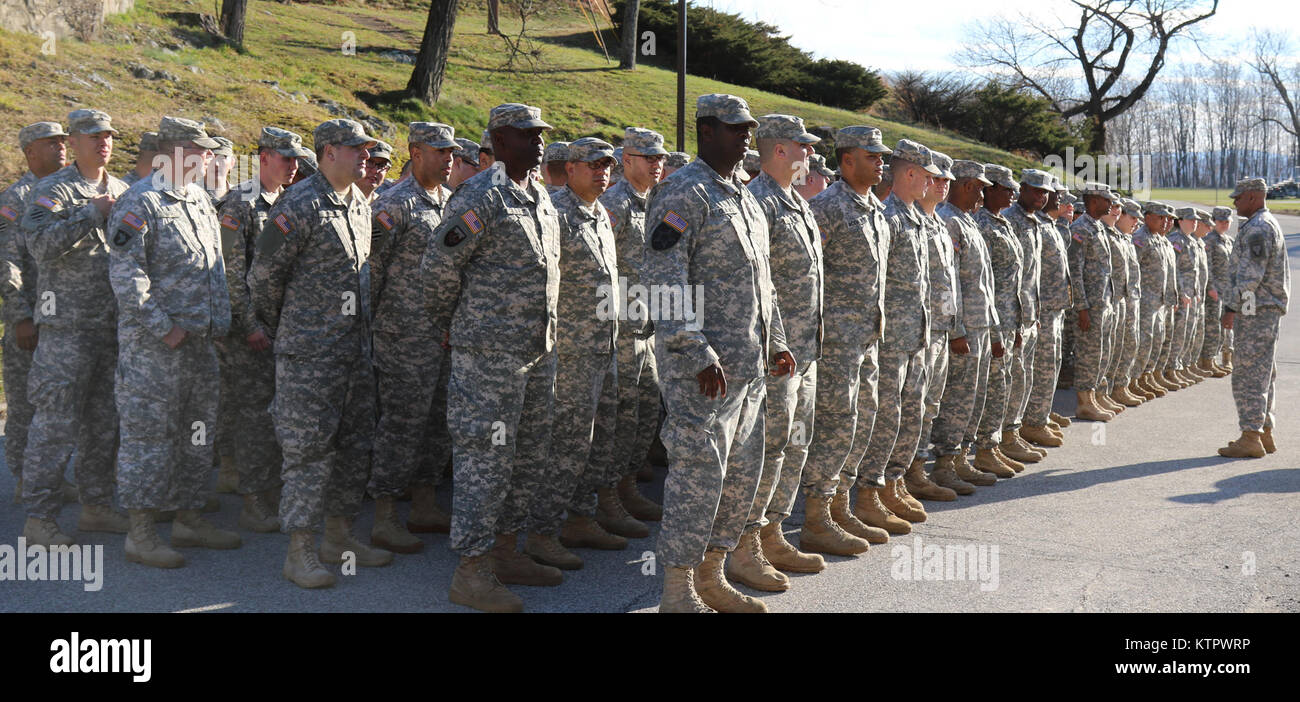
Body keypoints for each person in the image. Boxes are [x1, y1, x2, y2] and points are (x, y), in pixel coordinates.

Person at [642, 93, 794, 613]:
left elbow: (763, 281)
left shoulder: (744, 195)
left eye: (748, 126)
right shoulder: (683, 191)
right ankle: (676, 590)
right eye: (733, 128)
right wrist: (694, 347)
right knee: (697, 477)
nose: (745, 135)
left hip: (748, 367)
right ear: (706, 131)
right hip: (702, 370)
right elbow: (663, 279)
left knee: (738, 477)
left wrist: (775, 341)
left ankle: (712, 574)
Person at [424, 103, 563, 613]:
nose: (539, 142)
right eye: (528, 135)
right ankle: (472, 571)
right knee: (485, 463)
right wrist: (455, 328)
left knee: (525, 459)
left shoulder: (538, 196)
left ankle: (506, 552)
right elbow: (439, 269)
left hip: (536, 351)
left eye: (541, 134)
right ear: (501, 141)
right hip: (488, 356)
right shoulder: (482, 194)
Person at [250, 118, 390, 589]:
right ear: (329, 152)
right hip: (310, 355)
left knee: (354, 447)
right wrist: (290, 330)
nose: (365, 157)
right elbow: (264, 278)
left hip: (355, 352)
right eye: (356, 149)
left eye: (367, 149)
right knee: (308, 452)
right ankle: (300, 551)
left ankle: (339, 537)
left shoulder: (359, 204)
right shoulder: (299, 205)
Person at [106, 116, 238, 568]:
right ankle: (141, 533)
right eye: (201, 151)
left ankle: (189, 517)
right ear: (178, 153)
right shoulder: (139, 202)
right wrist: (166, 328)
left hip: (200, 345)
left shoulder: (200, 198)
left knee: (197, 435)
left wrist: (219, 322)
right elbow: (128, 277)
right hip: (156, 350)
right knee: (149, 437)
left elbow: (214, 268)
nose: (209, 158)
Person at [19, 109, 130, 546]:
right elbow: (39, 246)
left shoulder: (122, 188)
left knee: (104, 423)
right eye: (93, 135)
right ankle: (39, 518)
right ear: (75, 141)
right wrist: (88, 215)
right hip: (67, 328)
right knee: (55, 424)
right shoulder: (53, 189)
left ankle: (97, 506)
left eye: (108, 135)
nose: (103, 142)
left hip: (111, 326)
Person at [524, 136, 630, 572]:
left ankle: (580, 517)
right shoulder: (555, 213)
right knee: (564, 445)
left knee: (592, 442)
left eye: (608, 164)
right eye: (593, 165)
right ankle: (543, 531)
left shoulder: (599, 213)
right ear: (569, 168)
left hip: (600, 348)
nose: (603, 171)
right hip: (568, 352)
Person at [733, 113, 825, 590]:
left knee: (794, 443)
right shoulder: (760, 202)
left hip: (804, 349)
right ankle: (744, 543)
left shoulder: (795, 201)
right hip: (775, 351)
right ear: (781, 150)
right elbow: (755, 285)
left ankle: (772, 530)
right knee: (764, 450)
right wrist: (775, 342)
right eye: (802, 146)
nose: (809, 154)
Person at [366, 122, 459, 554]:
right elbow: (371, 272)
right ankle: (385, 514)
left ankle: (424, 503)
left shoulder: (452, 203)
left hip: (445, 335)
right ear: (416, 152)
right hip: (403, 335)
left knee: (438, 422)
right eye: (440, 151)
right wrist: (373, 328)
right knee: (401, 425)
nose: (448, 159)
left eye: (451, 152)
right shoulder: (393, 204)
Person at [214, 126, 312, 533]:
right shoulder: (239, 204)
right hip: (247, 332)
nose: (293, 166)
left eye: (296, 159)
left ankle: (261, 487)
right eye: (285, 158)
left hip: (279, 327)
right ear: (263, 158)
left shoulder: (286, 201)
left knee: (268, 413)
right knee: (254, 415)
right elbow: (229, 272)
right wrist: (250, 324)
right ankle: (254, 499)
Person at [803, 125, 892, 557]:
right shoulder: (826, 208)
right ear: (847, 160)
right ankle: (816, 516)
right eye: (871, 156)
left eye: (881, 156)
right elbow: (806, 278)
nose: (880, 163)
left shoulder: (876, 208)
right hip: (835, 340)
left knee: (862, 418)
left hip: (867, 335)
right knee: (836, 422)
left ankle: (840, 503)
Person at [598, 127, 667, 524]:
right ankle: (607, 498)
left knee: (642, 416)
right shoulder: (615, 203)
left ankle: (626, 488)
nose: (657, 164)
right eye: (649, 158)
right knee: (618, 417)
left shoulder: (656, 201)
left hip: (648, 328)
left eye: (660, 158)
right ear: (627, 161)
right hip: (620, 327)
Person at [0, 122, 67, 502]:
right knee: (25, 406)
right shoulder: (15, 200)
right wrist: (20, 317)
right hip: (30, 323)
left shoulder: (64, 192)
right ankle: (26, 480)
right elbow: (6, 264)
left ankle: (52, 477)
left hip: (62, 321)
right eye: (51, 144)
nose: (60, 149)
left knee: (56, 405)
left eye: (62, 142)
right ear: (30, 153)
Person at [930, 160, 1000, 494]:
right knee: (956, 397)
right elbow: (947, 282)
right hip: (964, 327)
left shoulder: (966, 222)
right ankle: (943, 463)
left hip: (980, 323)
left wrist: (993, 326)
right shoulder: (948, 222)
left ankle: (960, 457)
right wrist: (955, 328)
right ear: (966, 185)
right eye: (980, 188)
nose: (983, 195)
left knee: (972, 395)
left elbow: (982, 281)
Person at [1218, 178, 1289, 458]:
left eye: (1238, 198)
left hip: (1255, 310)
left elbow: (1250, 277)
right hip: (1263, 309)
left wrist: (1232, 308)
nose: (1235, 203)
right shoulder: (1264, 223)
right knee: (1263, 372)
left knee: (1248, 373)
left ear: (1252, 197)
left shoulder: (1258, 227)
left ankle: (1250, 437)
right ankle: (1264, 432)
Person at [909, 150, 961, 501]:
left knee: (930, 405)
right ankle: (904, 474)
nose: (941, 185)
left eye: (946, 180)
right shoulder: (909, 220)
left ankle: (918, 469)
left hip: (940, 329)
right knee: (910, 405)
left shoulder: (939, 225)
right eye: (936, 178)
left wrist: (955, 327)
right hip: (915, 330)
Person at [971, 165, 1025, 477]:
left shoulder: (1001, 222)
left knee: (1001, 383)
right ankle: (983, 448)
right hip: (991, 319)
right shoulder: (982, 224)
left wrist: (1016, 322)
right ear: (989, 189)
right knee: (990, 387)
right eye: (1005, 188)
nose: (1012, 193)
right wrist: (994, 329)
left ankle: (993, 445)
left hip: (1008, 316)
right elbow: (983, 281)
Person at [999, 169, 1052, 461]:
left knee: (1024, 375)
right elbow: (1010, 277)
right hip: (1011, 315)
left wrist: (1035, 311)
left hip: (1029, 312)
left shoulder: (1035, 223)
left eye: (1045, 193)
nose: (1040, 197)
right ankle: (1004, 436)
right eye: (1035, 191)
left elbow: (1033, 275)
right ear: (1022, 189)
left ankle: (1015, 431)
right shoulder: (1010, 219)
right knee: (1012, 377)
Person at [1021, 178, 1072, 446]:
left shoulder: (1050, 226)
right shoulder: (1035, 225)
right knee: (1039, 367)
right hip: (1041, 309)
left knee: (1050, 364)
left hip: (1054, 308)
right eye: (1056, 194)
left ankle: (1041, 414)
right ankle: (1033, 421)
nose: (1061, 200)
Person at [1067, 182, 1118, 421]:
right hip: (1090, 306)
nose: (1110, 205)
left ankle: (1095, 395)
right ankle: (1084, 402)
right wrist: (1082, 307)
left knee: (1100, 352)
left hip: (1103, 302)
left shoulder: (1098, 227)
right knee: (1088, 354)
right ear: (1094, 200)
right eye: (1106, 200)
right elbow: (1074, 271)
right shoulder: (1080, 228)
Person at [1201, 206, 1235, 375]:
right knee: (1214, 326)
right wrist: (1211, 287)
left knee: (1228, 326)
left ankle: (1227, 358)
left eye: (1227, 222)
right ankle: (1209, 359)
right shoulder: (1209, 240)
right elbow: (1207, 266)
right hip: (1215, 291)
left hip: (1228, 290)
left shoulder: (1228, 241)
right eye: (1221, 221)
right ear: (1214, 221)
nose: (1224, 224)